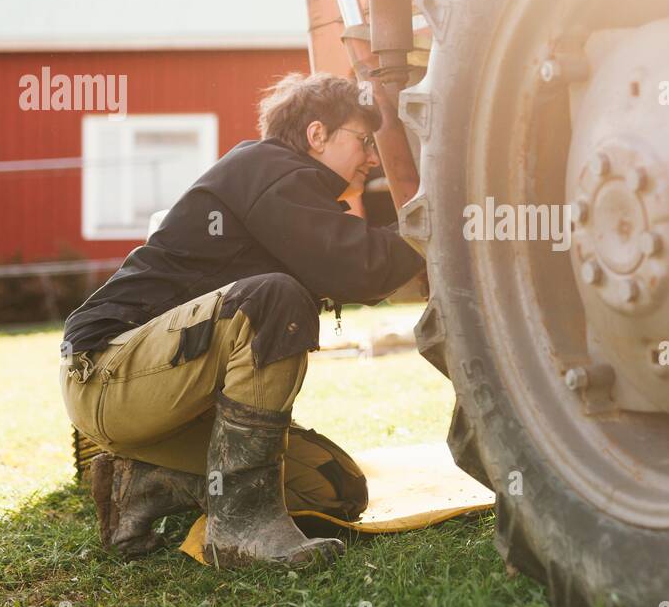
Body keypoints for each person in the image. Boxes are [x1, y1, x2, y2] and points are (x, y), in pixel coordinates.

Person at [59, 72, 424, 567]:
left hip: (167, 396)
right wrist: (434, 223)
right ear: (317, 134)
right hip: (108, 372)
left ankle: (141, 484)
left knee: (336, 487)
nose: (373, 158)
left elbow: (359, 265)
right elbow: (359, 265)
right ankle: (242, 527)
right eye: (364, 141)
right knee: (272, 299)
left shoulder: (289, 189)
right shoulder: (267, 168)